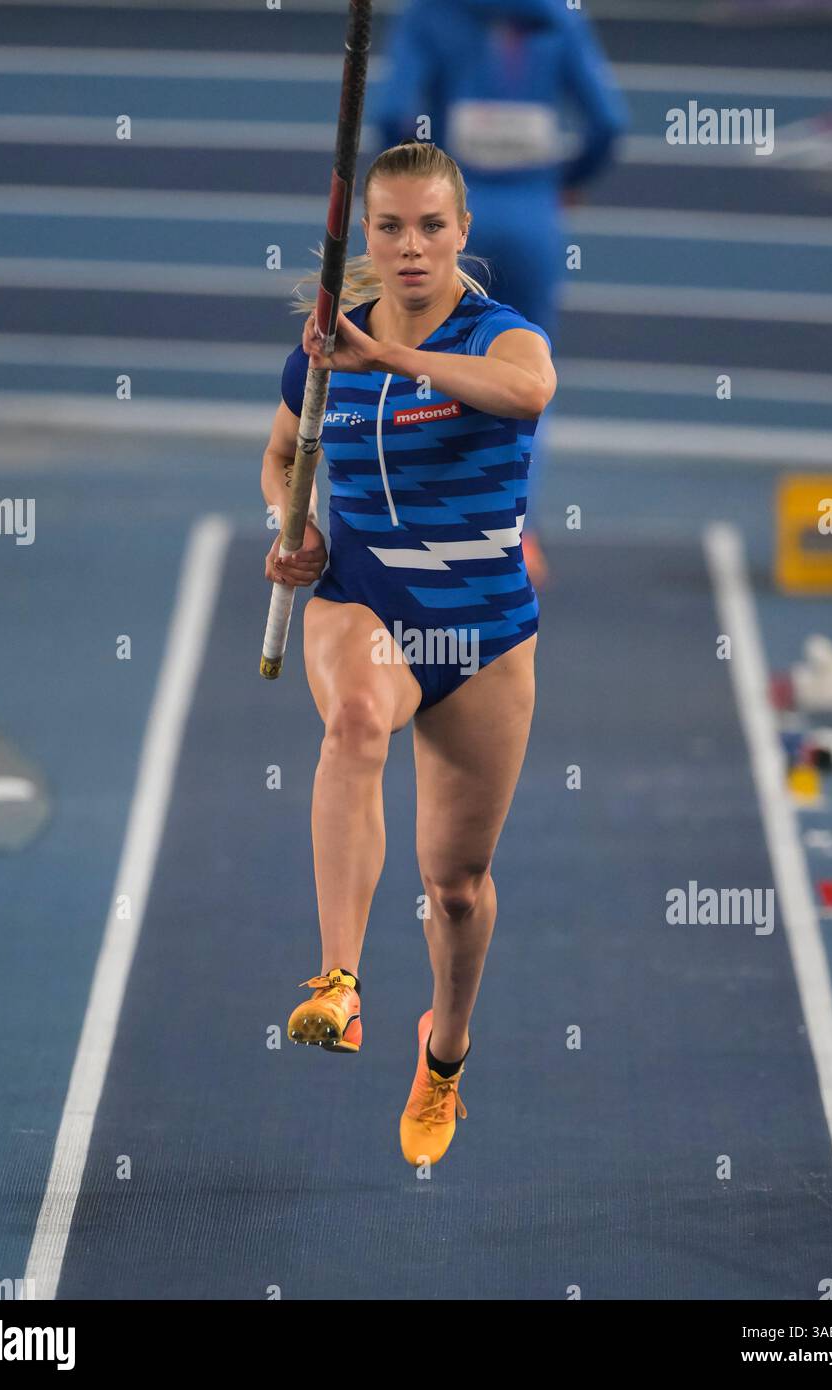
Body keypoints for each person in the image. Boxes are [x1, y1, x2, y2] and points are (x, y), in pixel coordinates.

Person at [261, 140, 556, 1166]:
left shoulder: (501, 334)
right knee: (351, 725)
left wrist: (398, 359)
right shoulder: (323, 348)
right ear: (365, 238)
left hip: (480, 628)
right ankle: (337, 984)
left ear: (462, 232)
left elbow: (528, 395)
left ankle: (445, 1052)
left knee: (458, 884)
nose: (412, 245)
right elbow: (283, 450)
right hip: (368, 598)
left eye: (432, 225)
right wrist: (289, 523)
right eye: (390, 226)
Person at [372, 0, 628, 587]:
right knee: (526, 376)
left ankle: (421, 525)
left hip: (452, 219)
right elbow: (609, 123)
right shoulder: (559, 17)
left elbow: (391, 112)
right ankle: (518, 534)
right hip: (534, 218)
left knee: (427, 361)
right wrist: (562, 181)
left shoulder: (428, 15)